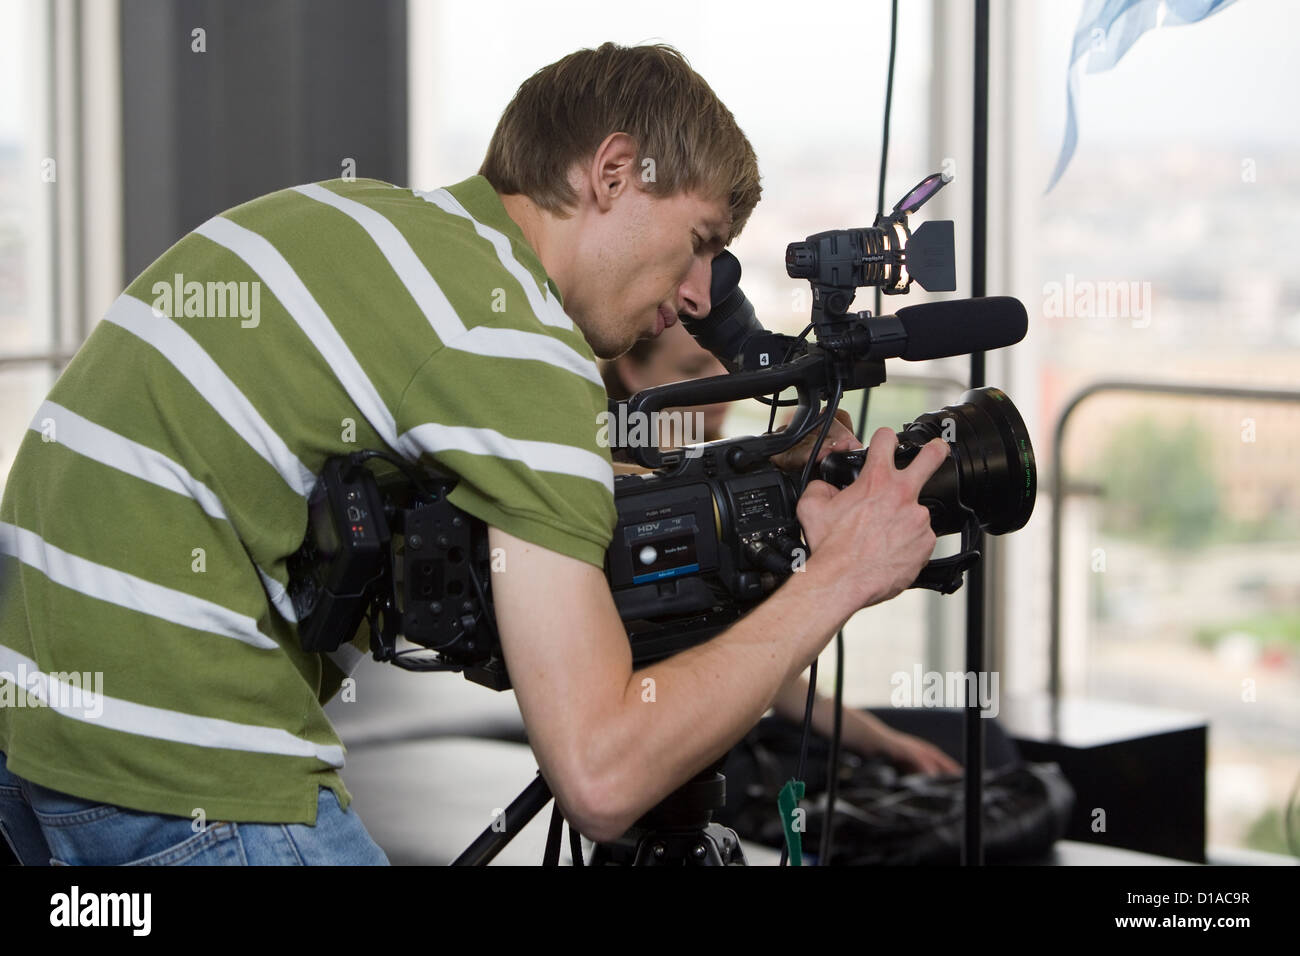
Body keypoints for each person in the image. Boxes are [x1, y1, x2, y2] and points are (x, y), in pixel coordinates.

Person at [0, 42, 949, 865]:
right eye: (699, 242)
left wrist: (757, 462)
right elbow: (601, 775)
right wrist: (842, 574)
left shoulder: (389, 238)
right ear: (614, 172)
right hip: (185, 770)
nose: (702, 295)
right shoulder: (517, 348)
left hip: (43, 742)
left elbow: (521, 472)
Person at [601, 323, 961, 777]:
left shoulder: (751, 472)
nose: (717, 384)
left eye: (722, 365)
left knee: (975, 742)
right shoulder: (599, 490)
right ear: (632, 370)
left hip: (735, 736)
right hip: (658, 756)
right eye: (693, 369)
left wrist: (888, 745)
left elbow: (771, 673)